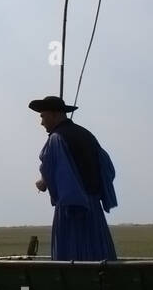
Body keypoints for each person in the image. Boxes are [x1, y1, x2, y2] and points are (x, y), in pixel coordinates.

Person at [29, 95, 117, 261]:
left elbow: (50, 172)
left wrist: (42, 182)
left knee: (69, 259)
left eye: (43, 116)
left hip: (71, 210)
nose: (41, 122)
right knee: (99, 257)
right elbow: (107, 169)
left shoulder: (56, 139)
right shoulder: (87, 135)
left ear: (55, 115)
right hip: (93, 210)